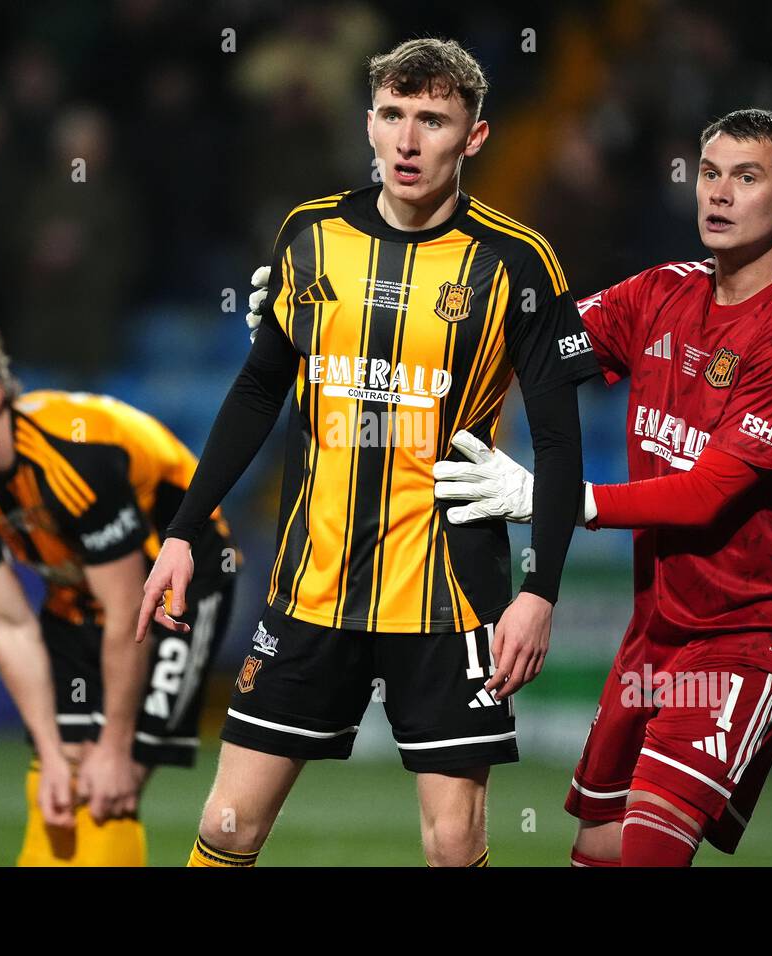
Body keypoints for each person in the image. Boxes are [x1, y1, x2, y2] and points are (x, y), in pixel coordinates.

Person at [138, 37, 598, 868]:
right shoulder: (309, 236)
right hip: (314, 583)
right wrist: (182, 528)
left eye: (433, 119)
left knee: (453, 844)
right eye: (393, 115)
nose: (409, 140)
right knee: (227, 826)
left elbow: (560, 442)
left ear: (476, 135)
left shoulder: (517, 261)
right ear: (369, 124)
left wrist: (542, 591)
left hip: (449, 596)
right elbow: (255, 392)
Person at [432, 109, 772, 865]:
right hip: (659, 623)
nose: (719, 194)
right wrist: (340, 316)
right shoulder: (662, 293)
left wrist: (556, 500)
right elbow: (529, 342)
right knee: (597, 846)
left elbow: (705, 496)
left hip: (752, 629)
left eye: (747, 178)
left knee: (653, 843)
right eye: (711, 173)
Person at [0, 316, 237, 865]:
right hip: (76, 597)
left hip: (177, 584)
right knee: (57, 779)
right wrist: (49, 752)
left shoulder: (73, 460)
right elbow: (9, 623)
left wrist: (117, 747)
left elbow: (125, 611)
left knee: (107, 791)